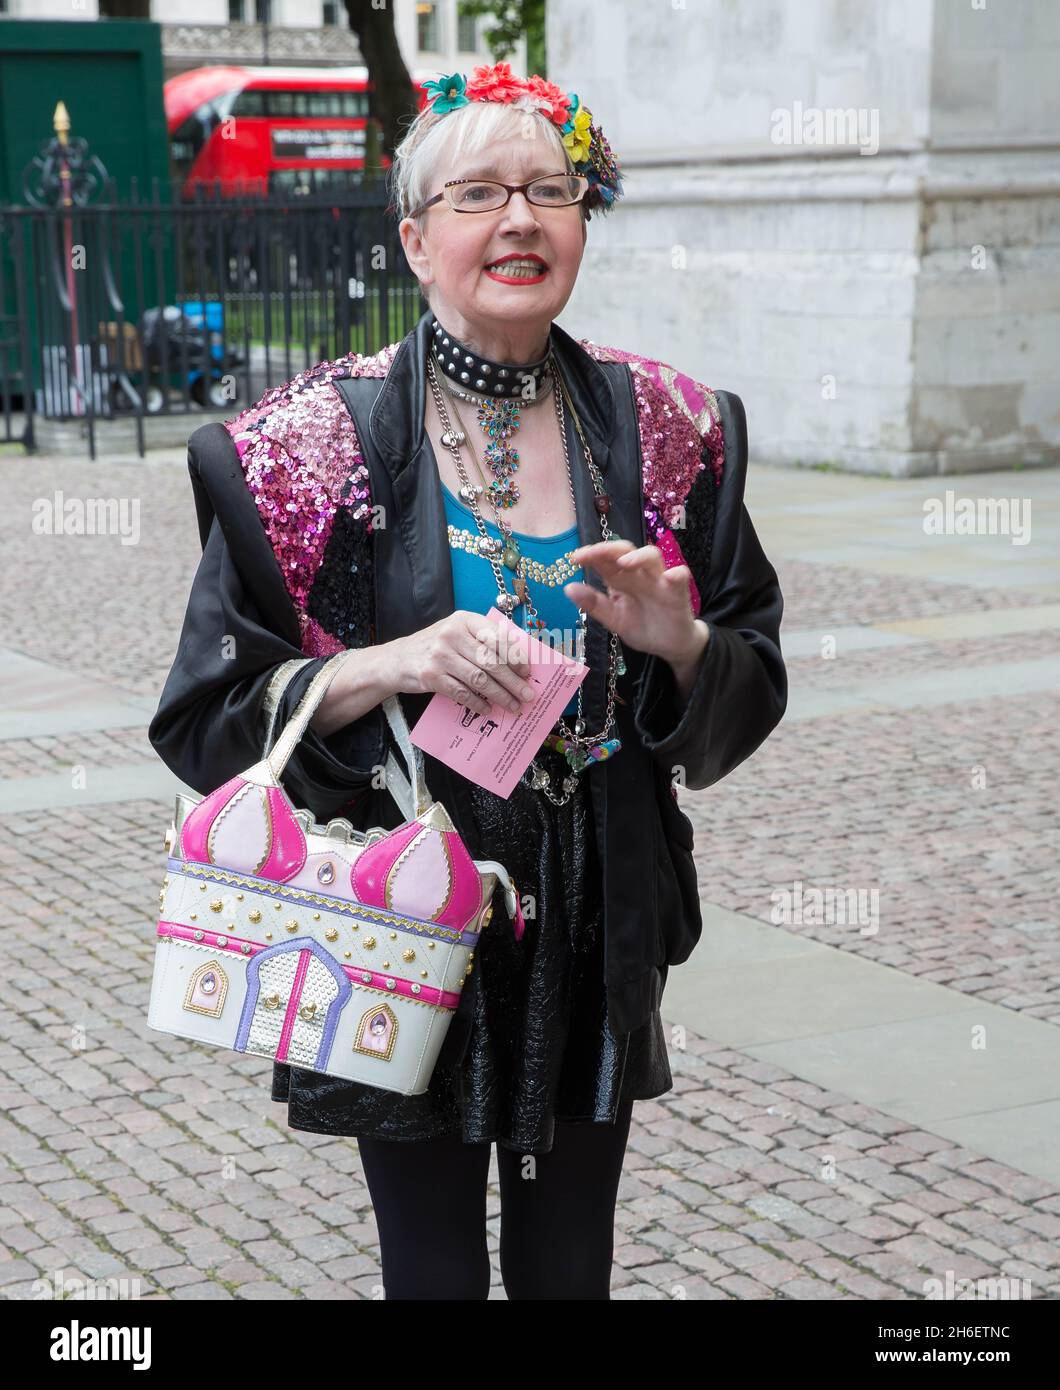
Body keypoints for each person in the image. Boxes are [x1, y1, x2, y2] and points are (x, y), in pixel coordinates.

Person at [148, 62, 788, 1300]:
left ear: (583, 220)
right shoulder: (310, 447)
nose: (519, 220)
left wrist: (682, 646)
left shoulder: (670, 429)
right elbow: (202, 713)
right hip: (400, 897)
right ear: (414, 240)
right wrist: (385, 663)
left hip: (599, 898)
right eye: (478, 193)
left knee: (570, 1266)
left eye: (549, 190)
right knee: (431, 1267)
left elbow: (747, 681)